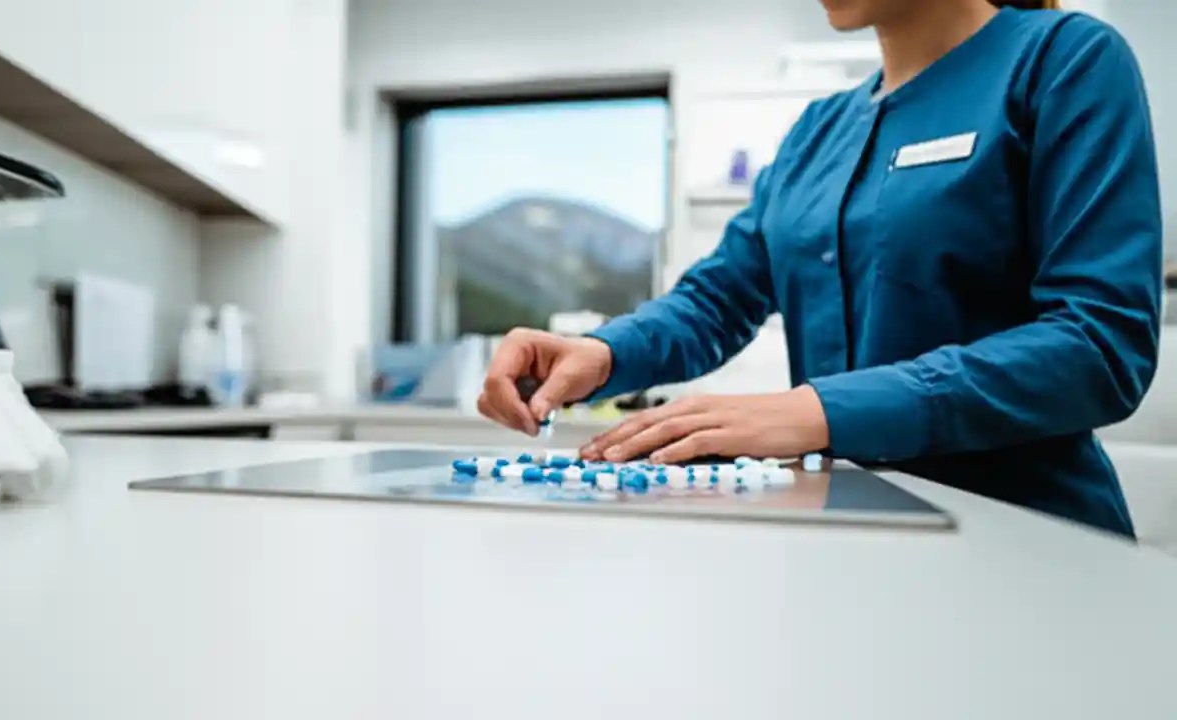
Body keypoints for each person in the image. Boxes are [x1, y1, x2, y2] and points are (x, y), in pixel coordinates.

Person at [476, 0, 1161, 537]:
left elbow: (1100, 345)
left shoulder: (1065, 62)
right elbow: (719, 297)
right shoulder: (818, 131)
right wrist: (601, 352)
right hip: (847, 533)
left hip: (1033, 545)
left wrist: (817, 412)